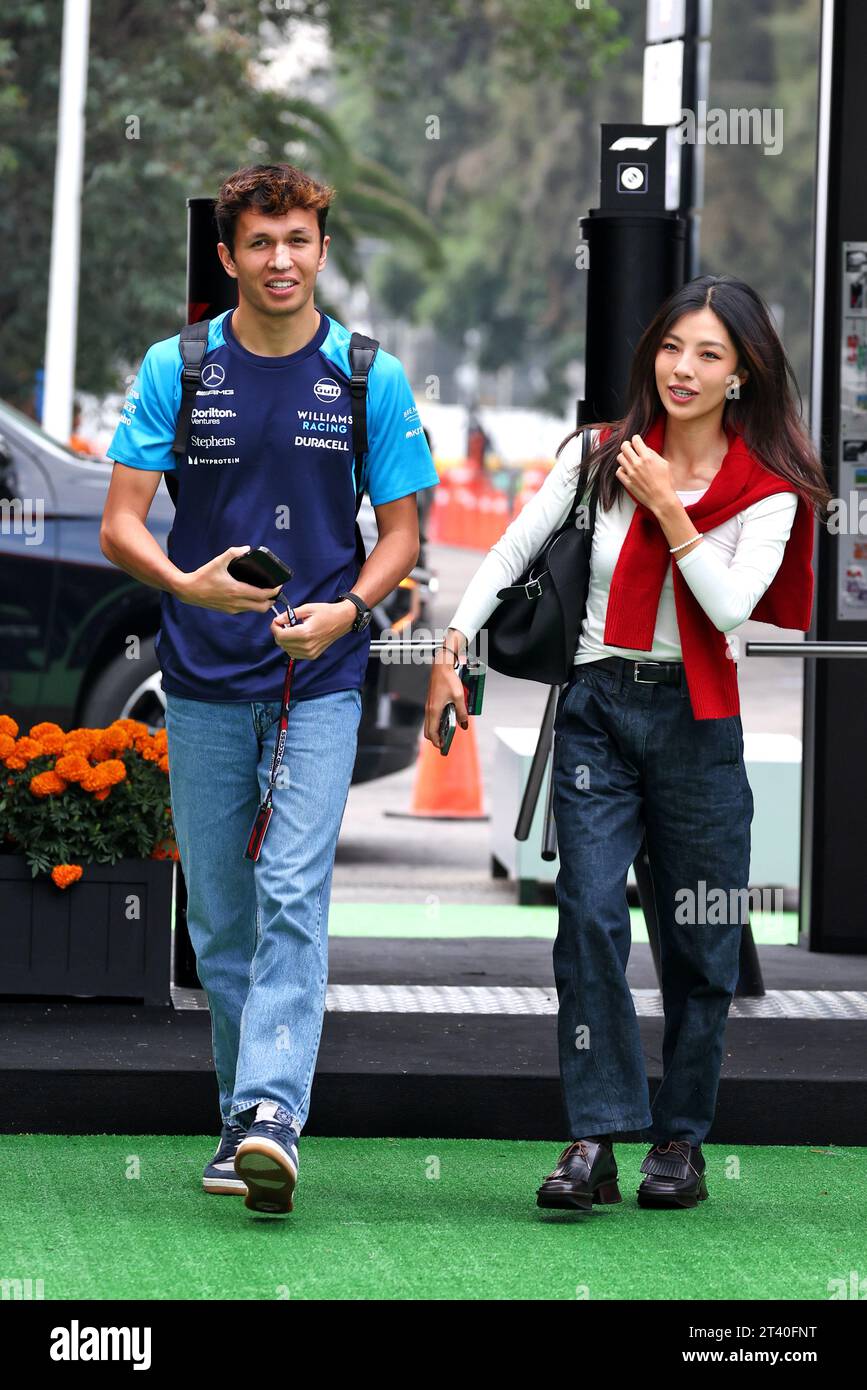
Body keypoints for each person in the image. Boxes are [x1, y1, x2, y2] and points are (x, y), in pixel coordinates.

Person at [425, 274, 830, 1211]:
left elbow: (731, 607)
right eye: (671, 347)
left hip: (699, 720)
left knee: (699, 941)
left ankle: (679, 1142)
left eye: (709, 354)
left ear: (741, 376)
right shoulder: (599, 453)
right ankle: (594, 1134)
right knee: (589, 915)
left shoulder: (767, 489)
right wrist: (450, 647)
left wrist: (671, 509)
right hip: (599, 708)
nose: (682, 369)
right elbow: (510, 550)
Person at [100, 162, 439, 1217]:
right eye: (261, 243)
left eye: (298, 240)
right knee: (221, 918)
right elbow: (120, 522)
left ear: (323, 251)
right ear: (229, 257)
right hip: (198, 679)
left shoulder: (367, 374)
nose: (281, 260)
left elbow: (400, 538)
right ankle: (238, 1113)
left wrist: (353, 613)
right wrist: (181, 581)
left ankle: (272, 1116)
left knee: (294, 890)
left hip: (321, 680)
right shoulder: (179, 366)